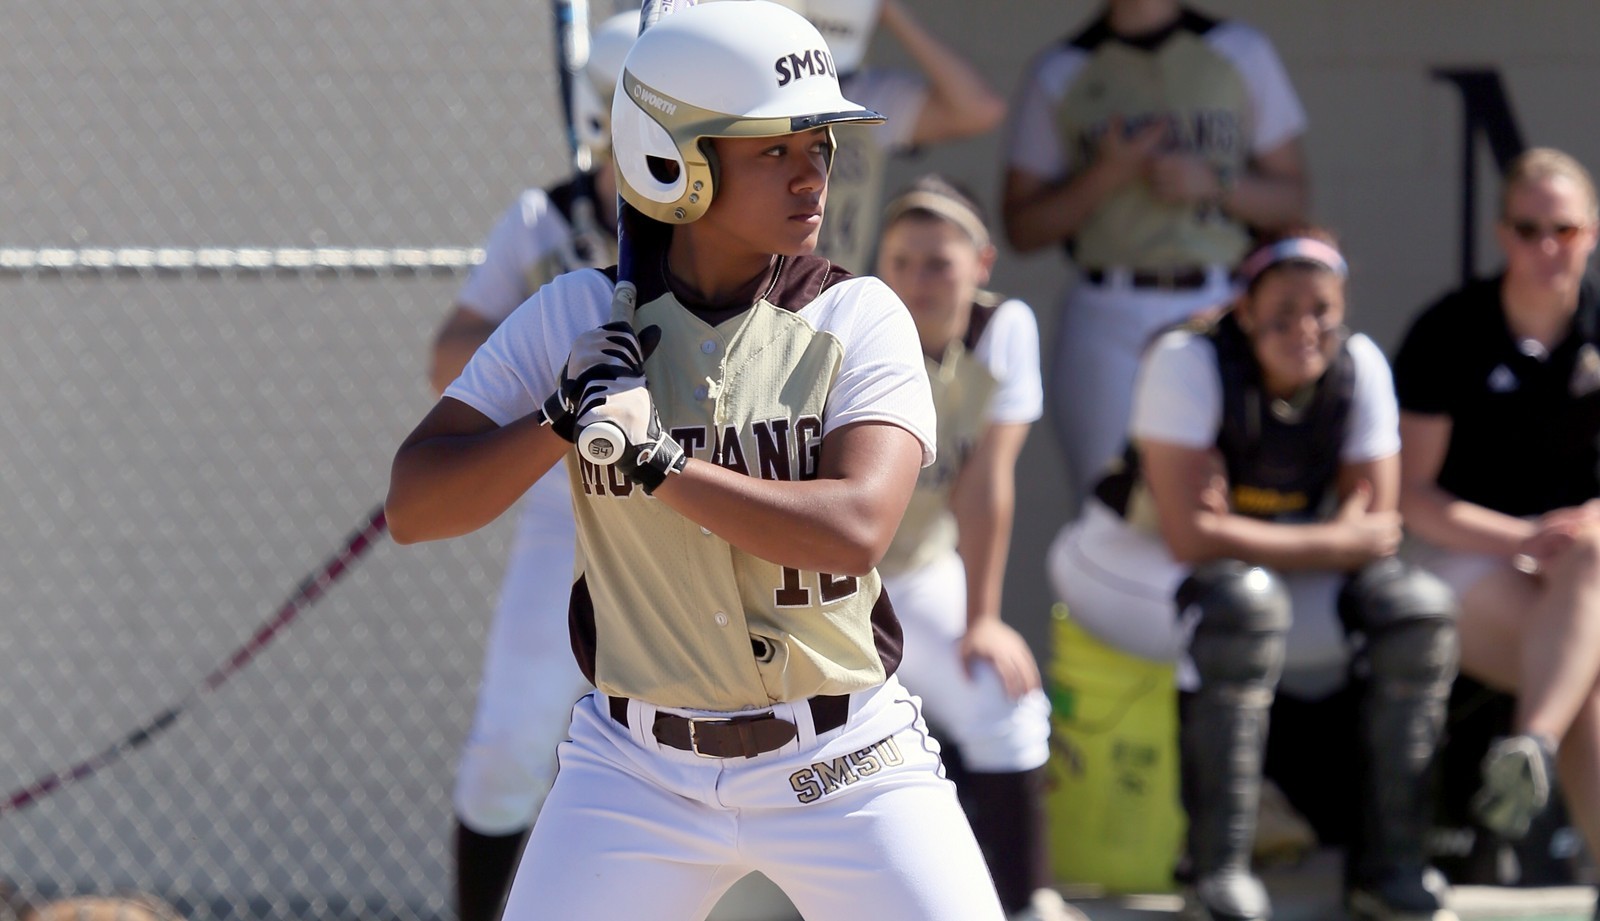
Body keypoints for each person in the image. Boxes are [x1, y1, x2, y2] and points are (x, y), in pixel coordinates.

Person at [386, 4, 1007, 919]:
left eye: (822, 146)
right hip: (636, 771)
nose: (815, 177)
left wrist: (658, 462)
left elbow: (854, 531)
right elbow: (415, 504)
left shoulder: (858, 317)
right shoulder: (574, 315)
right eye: (775, 150)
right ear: (673, 160)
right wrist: (556, 419)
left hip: (844, 760)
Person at [1045, 230, 1460, 921]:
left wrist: (1266, 536)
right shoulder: (1190, 359)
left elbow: (1377, 536)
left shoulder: (1359, 366)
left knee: (1414, 610)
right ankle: (1217, 874)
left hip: (1260, 562)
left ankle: (1392, 868)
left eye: (1321, 309)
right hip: (1123, 555)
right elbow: (1190, 536)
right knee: (1238, 606)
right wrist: (1328, 538)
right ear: (1244, 307)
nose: (1304, 326)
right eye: (1284, 308)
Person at [426, 14, 635, 921]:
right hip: (567, 509)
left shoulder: (719, 226)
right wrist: (561, 329)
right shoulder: (548, 219)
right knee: (511, 746)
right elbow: (448, 360)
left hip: (691, 504)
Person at [1392, 146, 1600, 916]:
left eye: (1565, 229)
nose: (1548, 247)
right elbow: (1412, 496)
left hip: (1575, 570)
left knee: (1589, 568)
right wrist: (1516, 534)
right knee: (1587, 675)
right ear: (1500, 234)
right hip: (1464, 555)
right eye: (1529, 228)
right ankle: (1538, 749)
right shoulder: (1451, 330)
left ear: (1593, 233)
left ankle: (1531, 750)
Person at [872, 175, 1083, 921]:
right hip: (827, 581)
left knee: (1003, 695)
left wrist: (984, 616)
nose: (916, 280)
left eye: (938, 262)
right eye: (900, 261)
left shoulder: (1004, 332)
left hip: (921, 567)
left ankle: (1026, 900)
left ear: (982, 263)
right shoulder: (852, 330)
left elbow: (988, 482)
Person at [1000, 0, 1309, 504]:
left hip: (1220, 300)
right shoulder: (1062, 68)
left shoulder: (1240, 50)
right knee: (1109, 502)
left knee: (1226, 494)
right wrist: (1106, 176)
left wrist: (1215, 183)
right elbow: (1022, 227)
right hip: (1108, 304)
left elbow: (1293, 199)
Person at [805, 0, 1006, 274]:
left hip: (832, 290)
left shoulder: (866, 94)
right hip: (763, 287)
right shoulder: (754, 96)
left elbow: (981, 109)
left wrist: (888, 11)